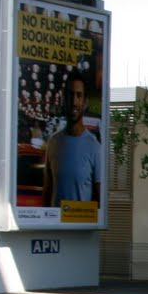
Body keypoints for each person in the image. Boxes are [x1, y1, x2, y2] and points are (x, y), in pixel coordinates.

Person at [43, 69, 102, 209]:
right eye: (70, 95)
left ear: (85, 102)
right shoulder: (53, 143)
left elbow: (100, 201)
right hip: (55, 229)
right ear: (64, 99)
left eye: (79, 95)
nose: (74, 101)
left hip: (80, 228)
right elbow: (47, 192)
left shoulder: (95, 147)